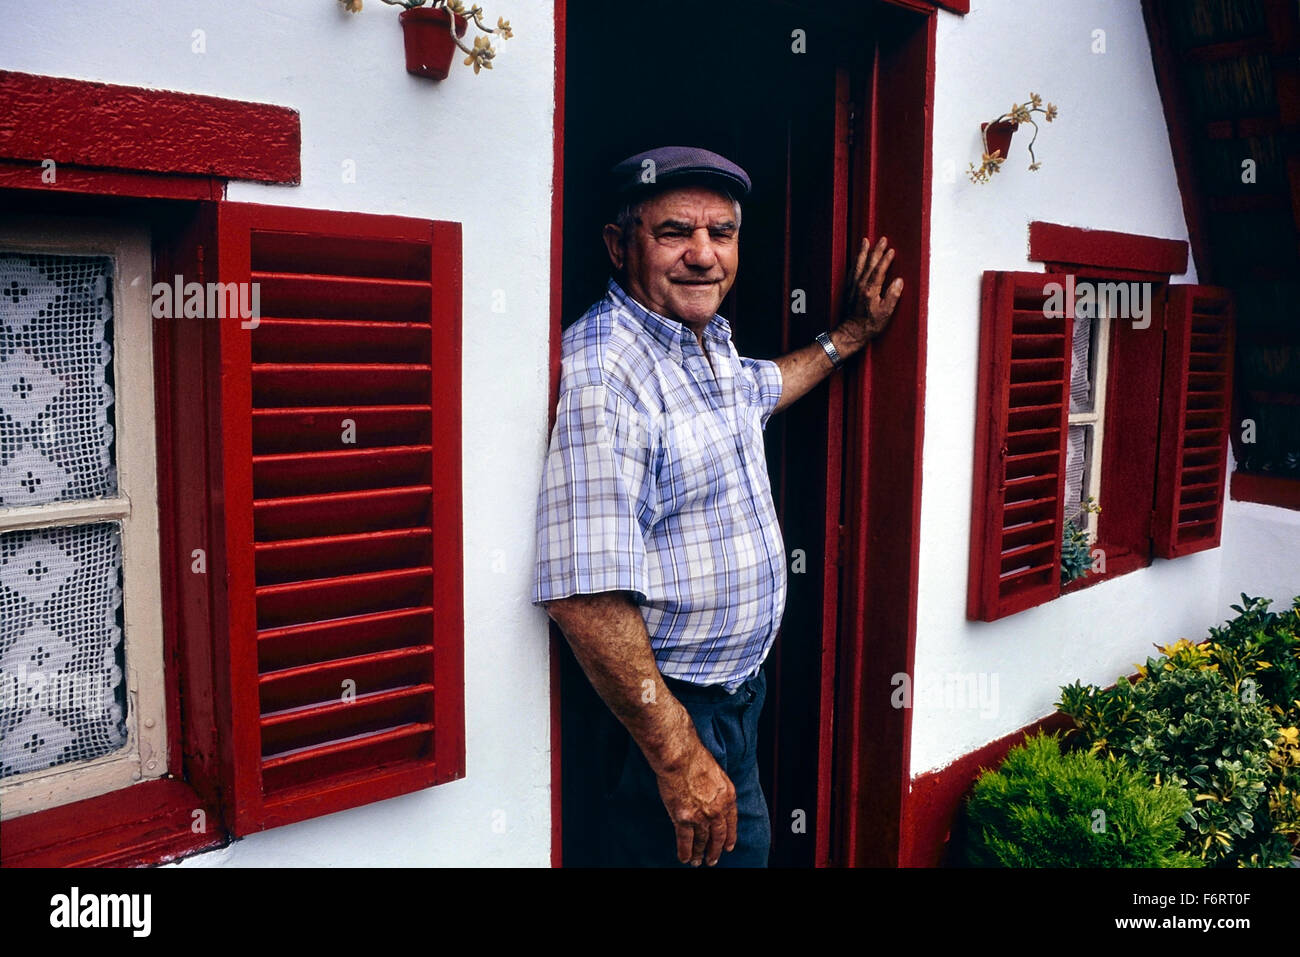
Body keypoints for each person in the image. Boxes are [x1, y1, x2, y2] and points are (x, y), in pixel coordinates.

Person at [532, 146, 902, 867]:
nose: (703, 255)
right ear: (618, 245)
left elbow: (765, 387)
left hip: (733, 705)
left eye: (721, 233)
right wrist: (678, 757)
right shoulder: (610, 371)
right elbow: (583, 594)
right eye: (674, 231)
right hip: (663, 718)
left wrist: (851, 336)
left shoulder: (707, 346)